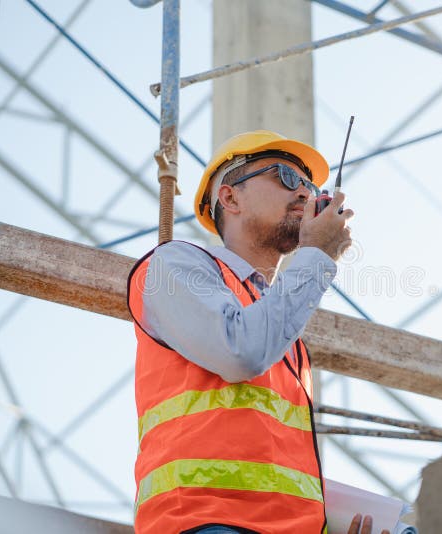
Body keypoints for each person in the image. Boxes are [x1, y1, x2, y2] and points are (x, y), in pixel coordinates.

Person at [128, 130, 387, 534]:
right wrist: (316, 256)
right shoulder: (174, 266)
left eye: (310, 185)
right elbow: (240, 352)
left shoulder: (284, 330)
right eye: (285, 176)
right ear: (230, 198)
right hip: (205, 524)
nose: (304, 193)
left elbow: (272, 468)